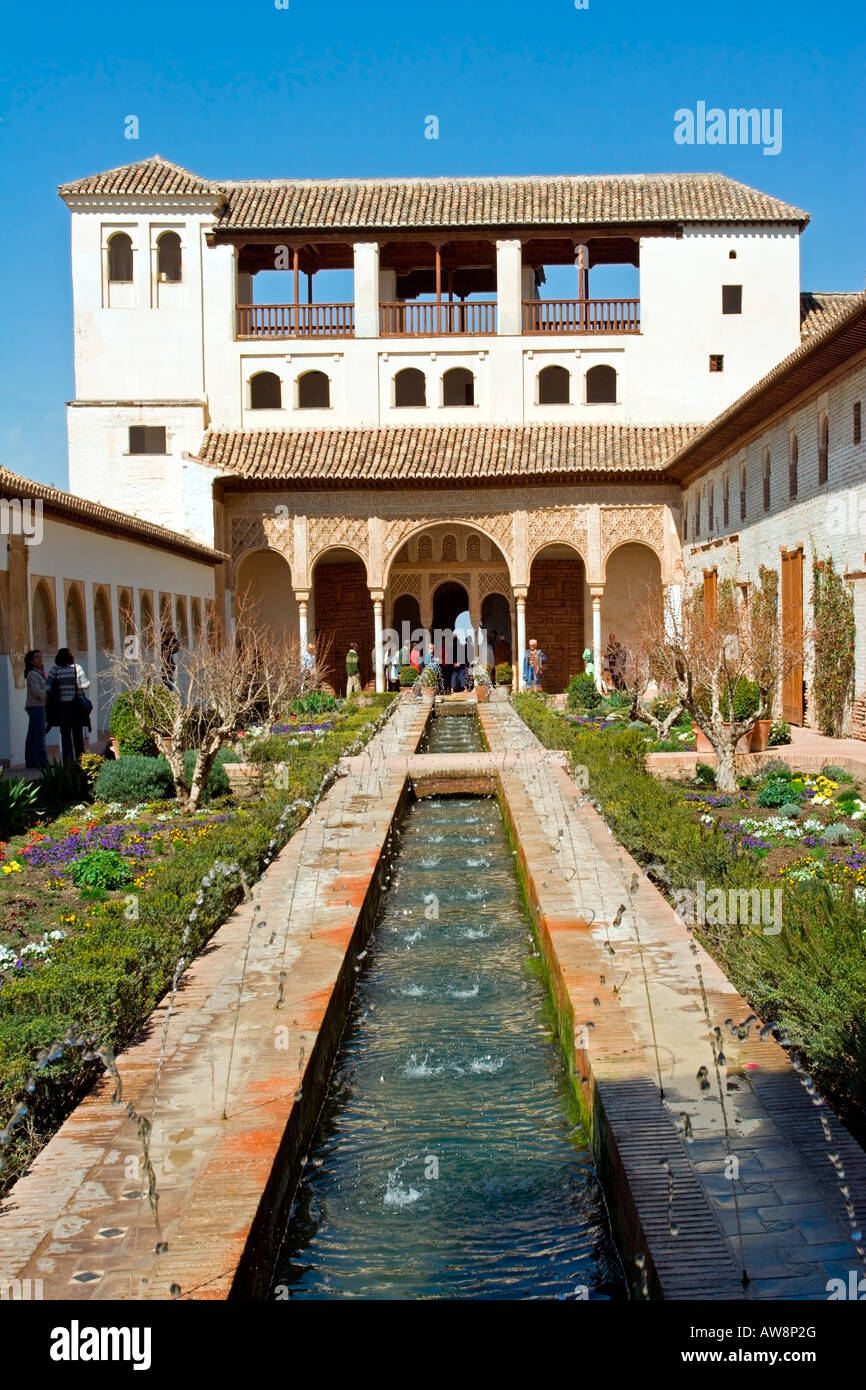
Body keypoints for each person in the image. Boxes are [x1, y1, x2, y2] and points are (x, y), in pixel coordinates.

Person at [45, 648, 91, 763]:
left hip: (62, 707)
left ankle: (67, 762)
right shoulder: (77, 668)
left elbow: (47, 687)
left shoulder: (54, 670)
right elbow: (86, 684)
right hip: (76, 706)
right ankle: (81, 761)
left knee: (65, 735)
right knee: (78, 735)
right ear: (71, 657)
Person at [24, 650, 49, 769]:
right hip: (36, 706)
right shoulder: (32, 674)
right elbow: (37, 691)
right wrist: (49, 694)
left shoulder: (39, 672)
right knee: (39, 735)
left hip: (39, 706)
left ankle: (32, 761)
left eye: (40, 656)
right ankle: (41, 761)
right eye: (36, 657)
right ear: (31, 660)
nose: (40, 659)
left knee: (33, 735)